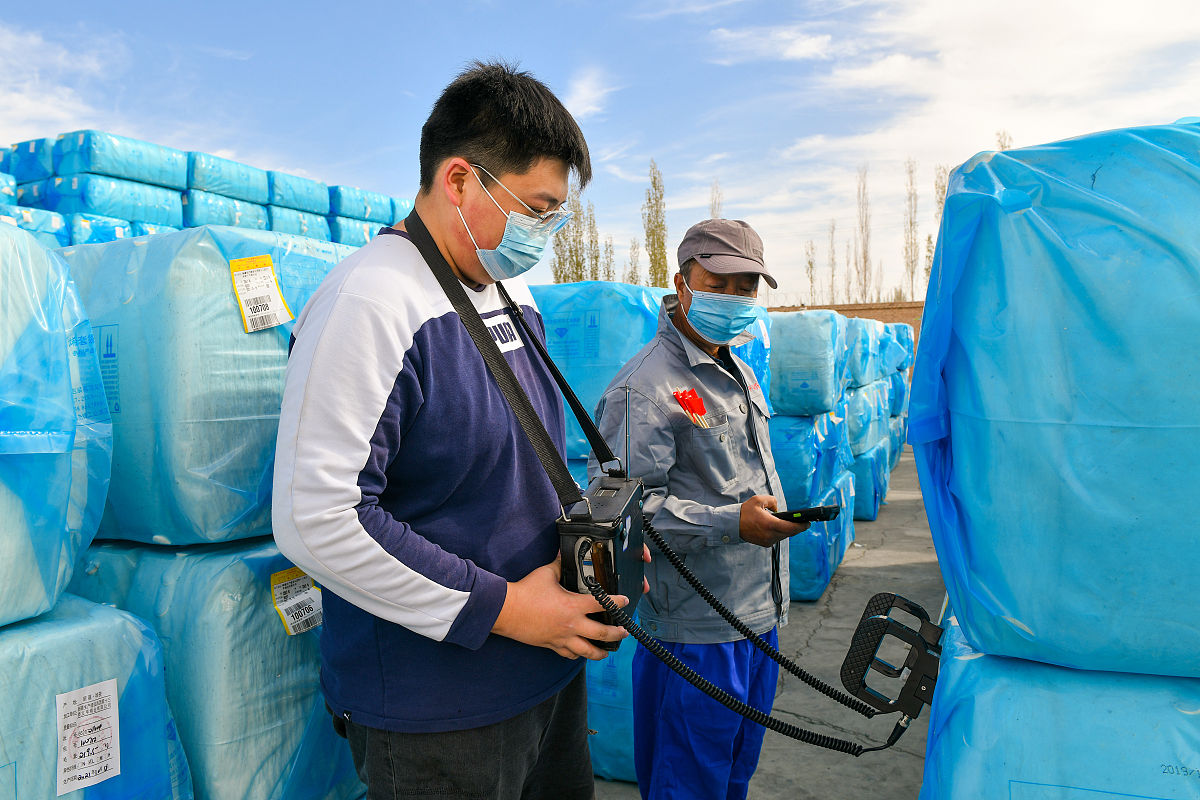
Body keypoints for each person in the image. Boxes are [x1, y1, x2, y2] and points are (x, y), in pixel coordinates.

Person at [272, 61, 632, 800]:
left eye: (557, 216)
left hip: (544, 678)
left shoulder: (508, 291)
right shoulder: (370, 301)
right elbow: (317, 518)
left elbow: (512, 468)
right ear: (460, 180)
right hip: (440, 719)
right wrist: (507, 608)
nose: (546, 234)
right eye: (537, 210)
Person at [590, 218, 807, 800]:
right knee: (688, 784)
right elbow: (623, 512)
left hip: (756, 619)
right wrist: (731, 522)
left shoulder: (734, 369)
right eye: (721, 283)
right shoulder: (646, 386)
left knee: (733, 774)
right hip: (695, 632)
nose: (735, 299)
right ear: (682, 282)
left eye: (747, 289)